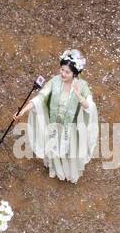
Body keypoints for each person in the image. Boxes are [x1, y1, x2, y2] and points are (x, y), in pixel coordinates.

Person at [13, 49, 100, 183]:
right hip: (54, 124)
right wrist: (23, 111)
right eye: (62, 70)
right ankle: (56, 168)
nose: (63, 74)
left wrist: (78, 95)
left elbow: (89, 107)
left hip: (70, 127)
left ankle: (68, 172)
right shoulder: (55, 81)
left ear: (74, 73)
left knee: (68, 149)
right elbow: (40, 98)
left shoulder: (82, 86)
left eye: (67, 72)